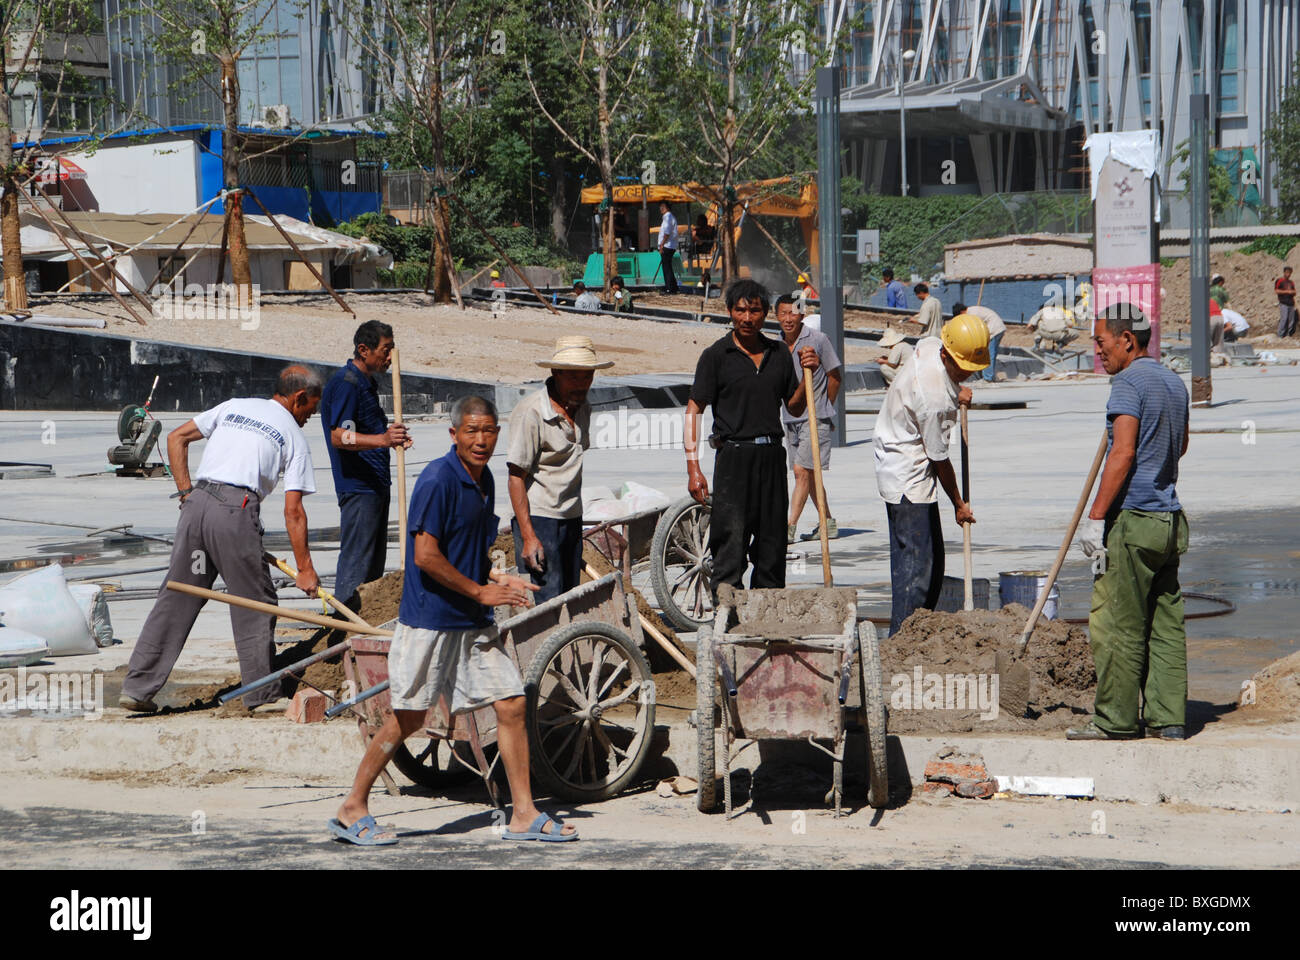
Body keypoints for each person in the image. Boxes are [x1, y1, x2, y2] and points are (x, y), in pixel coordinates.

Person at [331, 396, 578, 844]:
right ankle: (352, 807)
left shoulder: (483, 484)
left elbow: (469, 556)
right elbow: (425, 556)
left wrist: (498, 578)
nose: (481, 440)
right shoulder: (438, 480)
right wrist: (482, 590)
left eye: (488, 431)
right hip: (429, 620)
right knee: (408, 717)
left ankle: (523, 813)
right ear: (454, 434)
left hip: (472, 620)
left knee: (511, 702)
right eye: (472, 431)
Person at [119, 366, 323, 713]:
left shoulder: (234, 406)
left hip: (197, 505)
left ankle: (137, 689)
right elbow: (294, 513)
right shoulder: (293, 435)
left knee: (178, 594)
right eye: (310, 409)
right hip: (235, 512)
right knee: (255, 600)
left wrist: (186, 495)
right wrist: (305, 569)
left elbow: (176, 438)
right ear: (299, 397)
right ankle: (261, 696)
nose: (309, 418)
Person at [1069, 303, 1190, 742]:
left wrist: (1095, 518)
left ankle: (1114, 721)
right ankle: (1168, 719)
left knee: (1117, 622)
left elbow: (1122, 453)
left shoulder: (1127, 383)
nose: (1097, 351)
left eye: (1101, 343)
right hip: (1170, 521)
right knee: (1165, 624)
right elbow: (1181, 445)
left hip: (1134, 523)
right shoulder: (1173, 382)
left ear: (1126, 340)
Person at [685, 279, 818, 593]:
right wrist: (694, 467)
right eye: (740, 310)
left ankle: (768, 625)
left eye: (754, 311)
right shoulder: (716, 355)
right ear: (731, 312)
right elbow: (694, 409)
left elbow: (795, 408)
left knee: (772, 544)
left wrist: (808, 374)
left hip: (772, 457)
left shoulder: (779, 354)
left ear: (764, 314)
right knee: (730, 542)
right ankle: (727, 621)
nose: (747, 318)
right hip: (733, 458)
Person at [873, 315, 987, 635]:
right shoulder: (934, 399)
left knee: (933, 564)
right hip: (906, 472)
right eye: (964, 367)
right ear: (949, 357)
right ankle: (902, 642)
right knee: (916, 574)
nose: (969, 374)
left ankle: (920, 633)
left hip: (904, 452)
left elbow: (941, 371)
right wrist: (959, 505)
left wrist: (957, 387)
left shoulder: (933, 344)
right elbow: (940, 459)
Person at [508, 337, 610, 604]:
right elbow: (516, 477)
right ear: (556, 373)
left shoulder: (583, 407)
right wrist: (529, 536)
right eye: (574, 377)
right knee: (548, 605)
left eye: (587, 377)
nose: (581, 384)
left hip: (571, 517)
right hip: (540, 520)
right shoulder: (532, 413)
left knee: (569, 599)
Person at [320, 322, 412, 613]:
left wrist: (390, 439)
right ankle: (345, 622)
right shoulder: (346, 384)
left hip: (375, 485)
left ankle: (366, 625)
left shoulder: (365, 384)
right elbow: (340, 436)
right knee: (357, 563)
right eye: (386, 350)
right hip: (358, 488)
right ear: (364, 349)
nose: (389, 357)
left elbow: (366, 432)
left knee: (373, 565)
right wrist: (382, 439)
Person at [775, 294, 842, 544]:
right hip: (790, 417)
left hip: (816, 417)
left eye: (793, 313)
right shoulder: (777, 345)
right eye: (783, 314)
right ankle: (828, 522)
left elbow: (835, 376)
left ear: (802, 315)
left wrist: (825, 407)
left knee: (801, 470)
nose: (788, 319)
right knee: (808, 475)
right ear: (777, 316)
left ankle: (789, 528)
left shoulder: (818, 340)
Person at [954, 301, 1006, 383]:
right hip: (999, 328)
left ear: (961, 312)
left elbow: (975, 330)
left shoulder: (971, 314)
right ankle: (991, 376)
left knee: (988, 354)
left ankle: (988, 378)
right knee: (992, 354)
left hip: (994, 330)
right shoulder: (973, 310)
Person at [657, 201, 680, 295]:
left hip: (667, 245)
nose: (660, 209)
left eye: (662, 207)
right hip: (669, 245)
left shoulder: (668, 217)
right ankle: (674, 287)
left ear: (666, 207)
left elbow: (667, 233)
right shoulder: (668, 217)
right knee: (668, 267)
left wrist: (662, 245)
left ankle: (669, 289)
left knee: (666, 268)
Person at [1276, 266, 1297, 339]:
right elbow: (1277, 291)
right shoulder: (1280, 281)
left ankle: (1288, 335)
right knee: (1284, 319)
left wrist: (1292, 292)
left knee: (1291, 320)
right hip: (1283, 303)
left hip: (1291, 303)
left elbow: (1294, 292)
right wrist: (1287, 291)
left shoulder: (1291, 282)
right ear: (1284, 272)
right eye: (1287, 272)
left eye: (1290, 273)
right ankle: (1280, 335)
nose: (1288, 274)